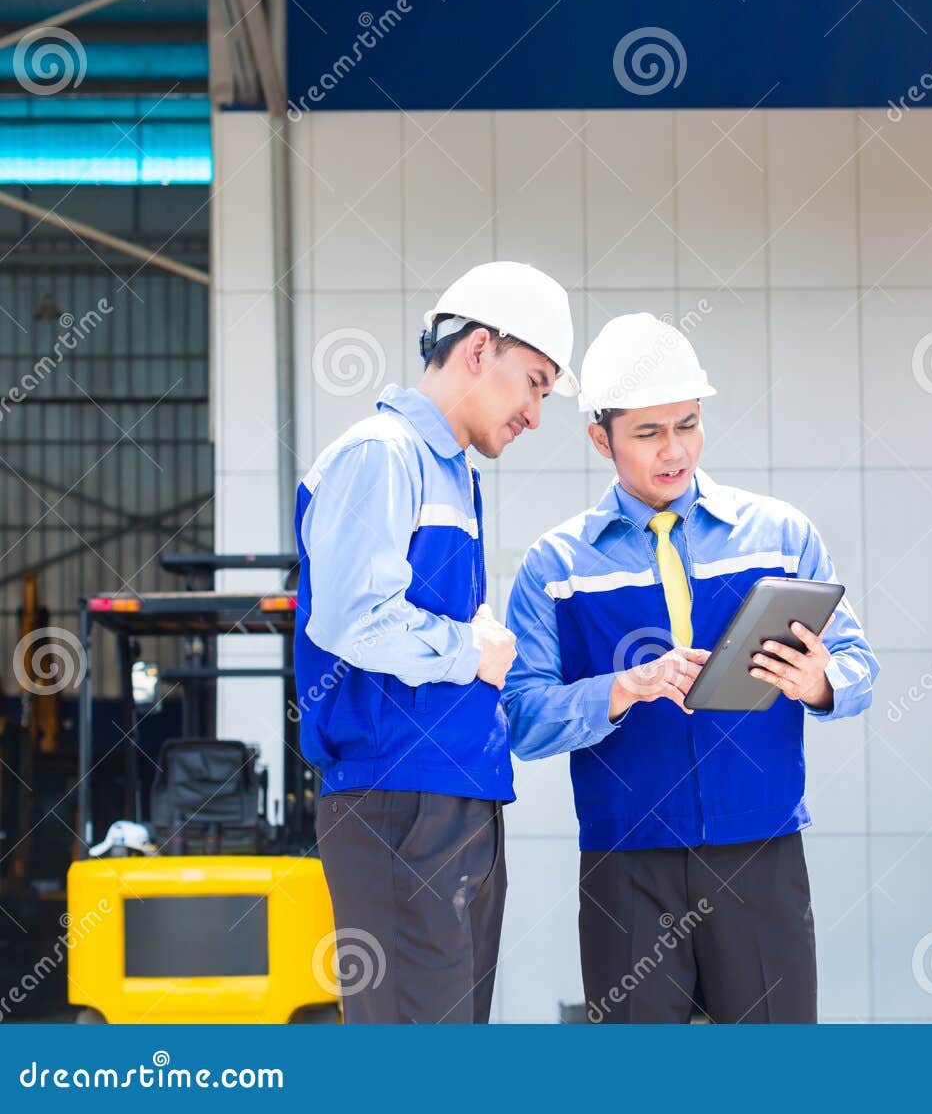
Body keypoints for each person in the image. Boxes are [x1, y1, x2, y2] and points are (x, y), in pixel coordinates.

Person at [502, 312, 879, 1024]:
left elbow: (860, 663)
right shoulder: (556, 568)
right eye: (648, 432)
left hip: (759, 853)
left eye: (689, 423)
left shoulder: (781, 535)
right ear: (599, 437)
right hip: (627, 866)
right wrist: (621, 688)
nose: (675, 450)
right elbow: (522, 718)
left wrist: (822, 682)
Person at [295, 261, 578, 1023]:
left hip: (457, 800)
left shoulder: (452, 475)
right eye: (536, 382)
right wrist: (470, 650)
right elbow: (353, 616)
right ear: (480, 348)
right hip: (398, 802)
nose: (535, 413)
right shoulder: (381, 454)